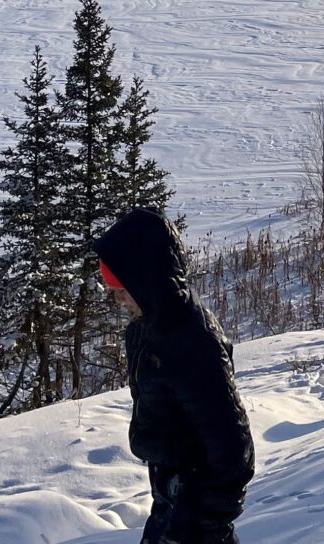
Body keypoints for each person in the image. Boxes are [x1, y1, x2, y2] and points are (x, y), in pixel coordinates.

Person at [91, 207, 255, 544]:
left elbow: (234, 448)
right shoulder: (147, 328)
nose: (117, 297)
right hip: (170, 498)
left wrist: (203, 520)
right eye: (111, 287)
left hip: (196, 515)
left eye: (120, 286)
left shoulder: (193, 341)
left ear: (144, 277)